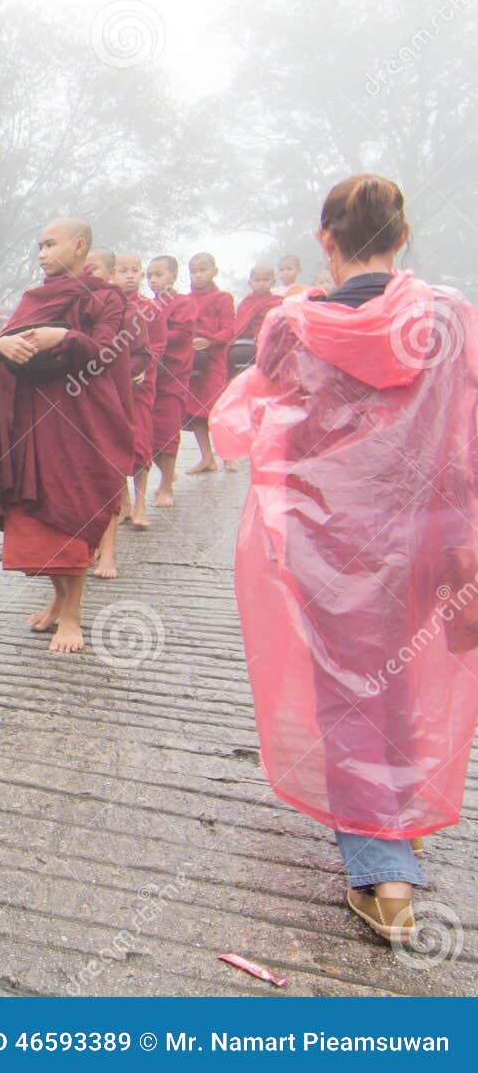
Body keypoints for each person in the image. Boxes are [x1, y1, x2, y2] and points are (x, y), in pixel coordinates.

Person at [212, 174, 478, 944]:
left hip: (335, 538)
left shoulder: (292, 324)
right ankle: (403, 817)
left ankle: (384, 874)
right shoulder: (453, 317)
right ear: (404, 235)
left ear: (325, 241)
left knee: (354, 690)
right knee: (410, 672)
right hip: (433, 527)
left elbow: (273, 420)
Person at [0, 219, 131, 653]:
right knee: (35, 512)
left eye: (50, 244)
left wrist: (65, 336)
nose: (42, 253)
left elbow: (106, 353)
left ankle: (73, 616)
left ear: (80, 245)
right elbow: (9, 340)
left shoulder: (105, 297)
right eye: (38, 246)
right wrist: (1, 345)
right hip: (32, 421)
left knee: (71, 509)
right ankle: (57, 599)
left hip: (79, 419)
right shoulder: (34, 297)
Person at [82, 247, 130, 580]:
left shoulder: (113, 302)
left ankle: (108, 551)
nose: (88, 274)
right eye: (82, 268)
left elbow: (109, 352)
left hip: (107, 394)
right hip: (75, 397)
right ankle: (88, 545)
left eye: (94, 268)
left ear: (109, 274)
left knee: (107, 473)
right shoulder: (71, 299)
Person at [116, 253, 163, 528]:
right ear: (112, 274)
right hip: (114, 384)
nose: (129, 275)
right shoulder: (106, 306)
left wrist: (144, 367)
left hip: (142, 383)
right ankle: (123, 502)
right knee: (117, 441)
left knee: (141, 440)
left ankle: (141, 504)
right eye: (123, 270)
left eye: (135, 270)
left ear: (141, 275)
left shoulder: (151, 308)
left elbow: (158, 344)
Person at [145, 256, 196, 507]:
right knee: (147, 431)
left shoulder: (184, 303)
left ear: (174, 275)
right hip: (151, 374)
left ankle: (166, 488)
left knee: (167, 429)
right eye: (150, 276)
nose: (154, 280)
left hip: (173, 374)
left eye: (159, 274)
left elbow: (181, 333)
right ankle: (167, 472)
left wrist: (151, 338)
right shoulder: (147, 307)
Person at [181, 253, 237, 474]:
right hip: (192, 360)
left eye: (203, 270)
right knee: (195, 411)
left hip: (214, 360)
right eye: (194, 271)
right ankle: (206, 458)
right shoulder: (185, 300)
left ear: (214, 271)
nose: (198, 275)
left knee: (217, 408)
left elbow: (230, 329)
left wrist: (210, 341)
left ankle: (228, 456)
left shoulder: (223, 298)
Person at [230, 263, 283, 371]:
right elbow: (240, 326)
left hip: (271, 342)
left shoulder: (278, 301)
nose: (261, 283)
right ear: (250, 283)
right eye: (257, 280)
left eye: (266, 280)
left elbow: (280, 325)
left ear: (273, 282)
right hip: (248, 343)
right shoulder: (246, 303)